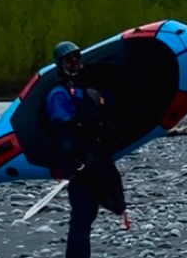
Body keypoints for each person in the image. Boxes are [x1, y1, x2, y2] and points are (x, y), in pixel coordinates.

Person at [46, 41, 130, 258]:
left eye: (77, 57)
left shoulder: (86, 89)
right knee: (82, 214)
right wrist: (75, 154)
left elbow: (105, 106)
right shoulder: (58, 93)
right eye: (69, 59)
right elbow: (62, 127)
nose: (75, 62)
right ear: (61, 64)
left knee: (90, 212)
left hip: (94, 156)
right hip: (77, 162)